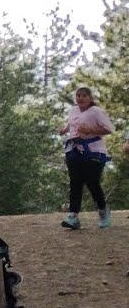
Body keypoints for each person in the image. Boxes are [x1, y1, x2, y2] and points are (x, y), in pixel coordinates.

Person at [58, 87, 115, 230]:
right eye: (78, 95)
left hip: (94, 150)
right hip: (74, 149)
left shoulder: (96, 111)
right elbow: (72, 122)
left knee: (92, 182)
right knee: (75, 182)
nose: (80, 98)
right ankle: (73, 216)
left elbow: (108, 129)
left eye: (84, 95)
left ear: (90, 98)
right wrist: (65, 129)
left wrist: (90, 130)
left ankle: (103, 211)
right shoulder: (73, 110)